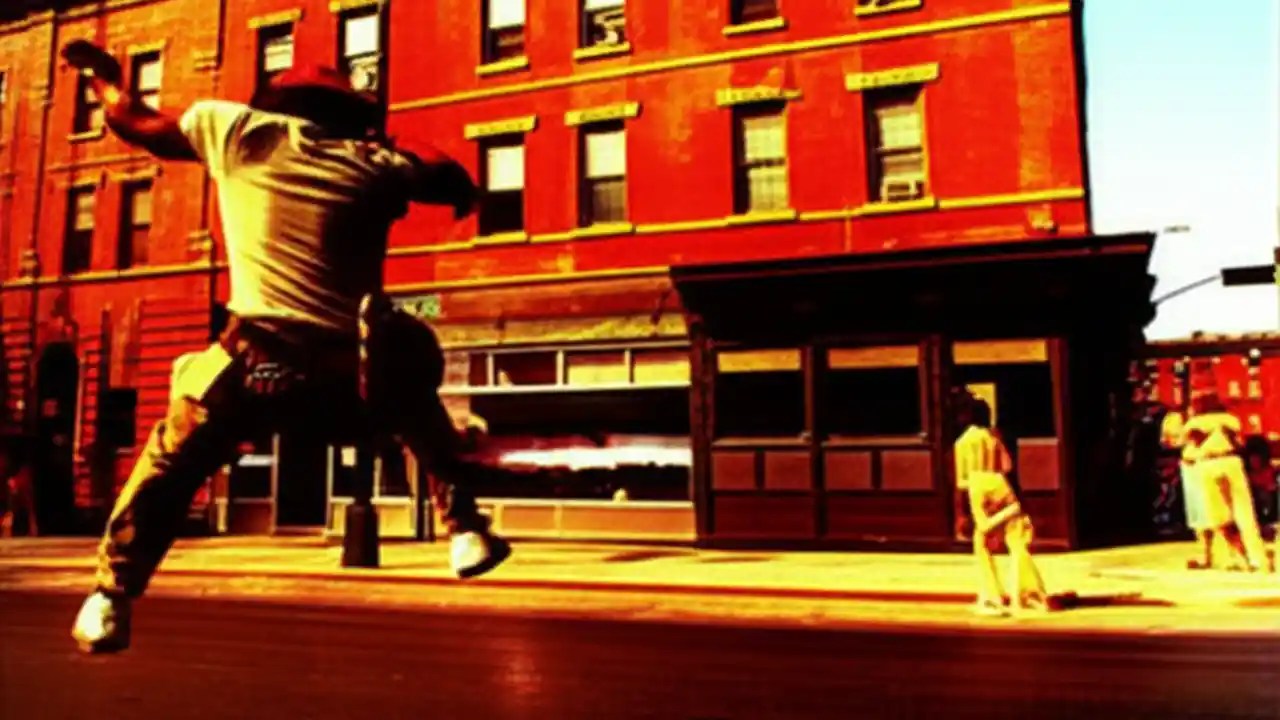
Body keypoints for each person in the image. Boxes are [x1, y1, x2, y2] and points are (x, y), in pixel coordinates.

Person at [62, 40, 511, 654]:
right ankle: (466, 528)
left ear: (275, 100)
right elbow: (452, 179)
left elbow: (132, 121)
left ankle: (109, 597)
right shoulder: (373, 163)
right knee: (408, 355)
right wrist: (380, 134)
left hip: (253, 359)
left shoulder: (237, 130)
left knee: (171, 456)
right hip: (351, 375)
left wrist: (107, 81)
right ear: (348, 116)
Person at [953, 398, 1049, 617]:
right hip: (1000, 483)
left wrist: (962, 513)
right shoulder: (994, 438)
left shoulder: (963, 442)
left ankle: (991, 596)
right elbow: (1007, 466)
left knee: (982, 544)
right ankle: (1026, 594)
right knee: (1017, 542)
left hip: (978, 485)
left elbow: (961, 481)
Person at [1183, 393, 1267, 572]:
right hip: (1231, 461)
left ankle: (1239, 557)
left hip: (1209, 464)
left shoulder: (1194, 423)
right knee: (1244, 513)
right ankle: (1256, 559)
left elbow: (1188, 441)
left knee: (1220, 517)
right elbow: (1241, 440)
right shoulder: (1230, 420)